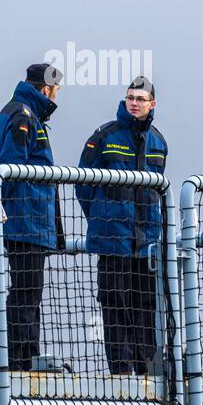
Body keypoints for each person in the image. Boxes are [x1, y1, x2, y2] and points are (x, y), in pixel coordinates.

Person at [76, 77, 168, 375]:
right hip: (113, 241)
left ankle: (145, 368)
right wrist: (103, 220)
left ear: (152, 104)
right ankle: (120, 369)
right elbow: (84, 185)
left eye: (141, 99)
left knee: (144, 308)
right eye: (130, 97)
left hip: (146, 245)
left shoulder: (159, 141)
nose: (134, 103)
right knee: (116, 306)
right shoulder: (103, 136)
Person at [0, 63, 64, 371]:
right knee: (26, 292)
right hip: (25, 220)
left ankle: (25, 354)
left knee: (27, 291)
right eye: (56, 90)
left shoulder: (18, 112)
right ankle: (20, 358)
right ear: (46, 89)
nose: (57, 96)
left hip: (26, 220)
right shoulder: (24, 116)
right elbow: (7, 165)